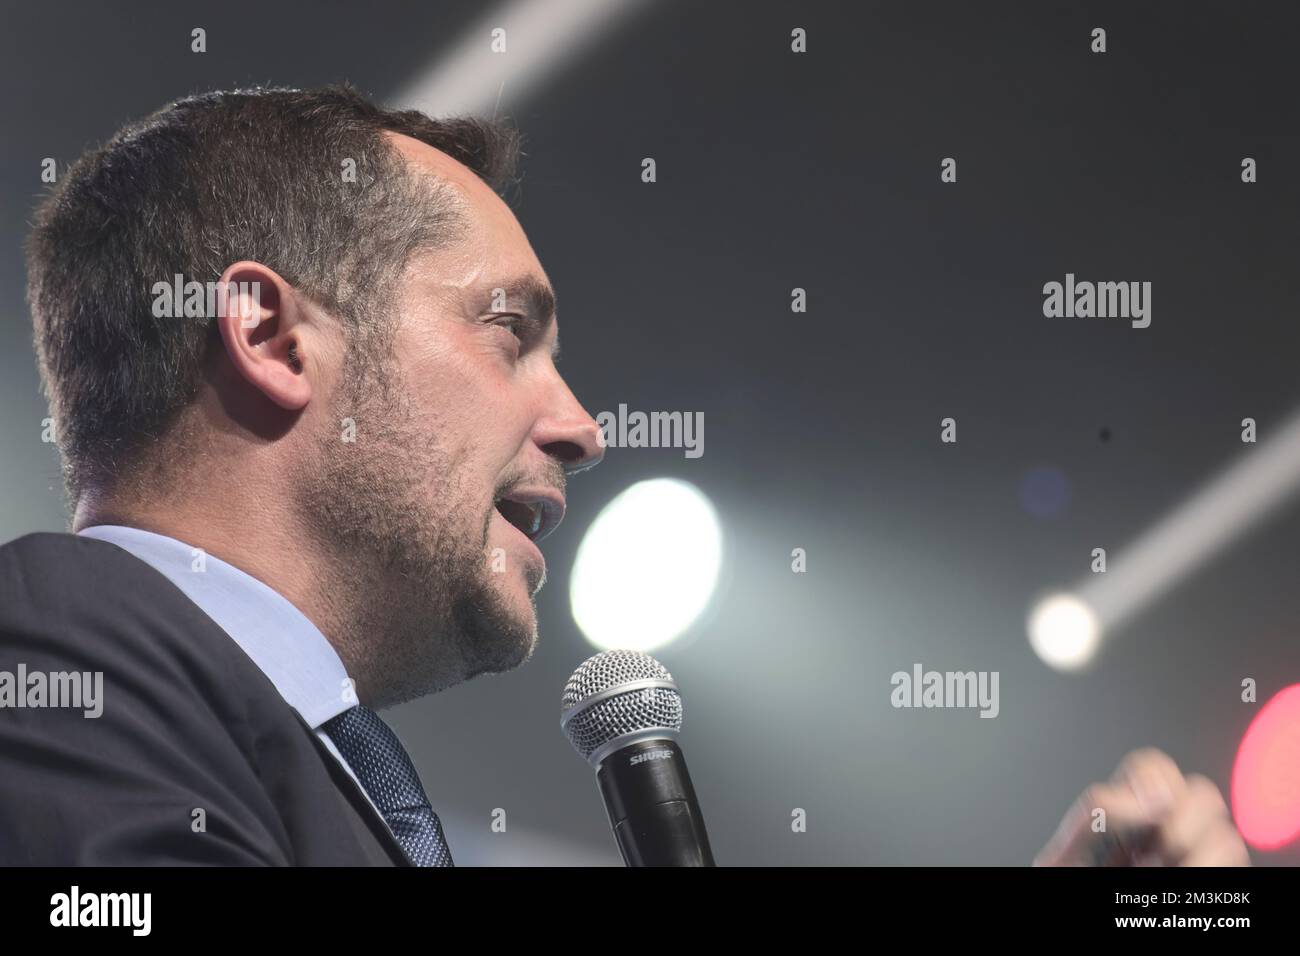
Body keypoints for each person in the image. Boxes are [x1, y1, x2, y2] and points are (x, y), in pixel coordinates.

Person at [0, 86, 1249, 866]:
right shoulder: (55, 645)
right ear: (274, 338)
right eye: (507, 330)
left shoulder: (256, 740)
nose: (585, 425)